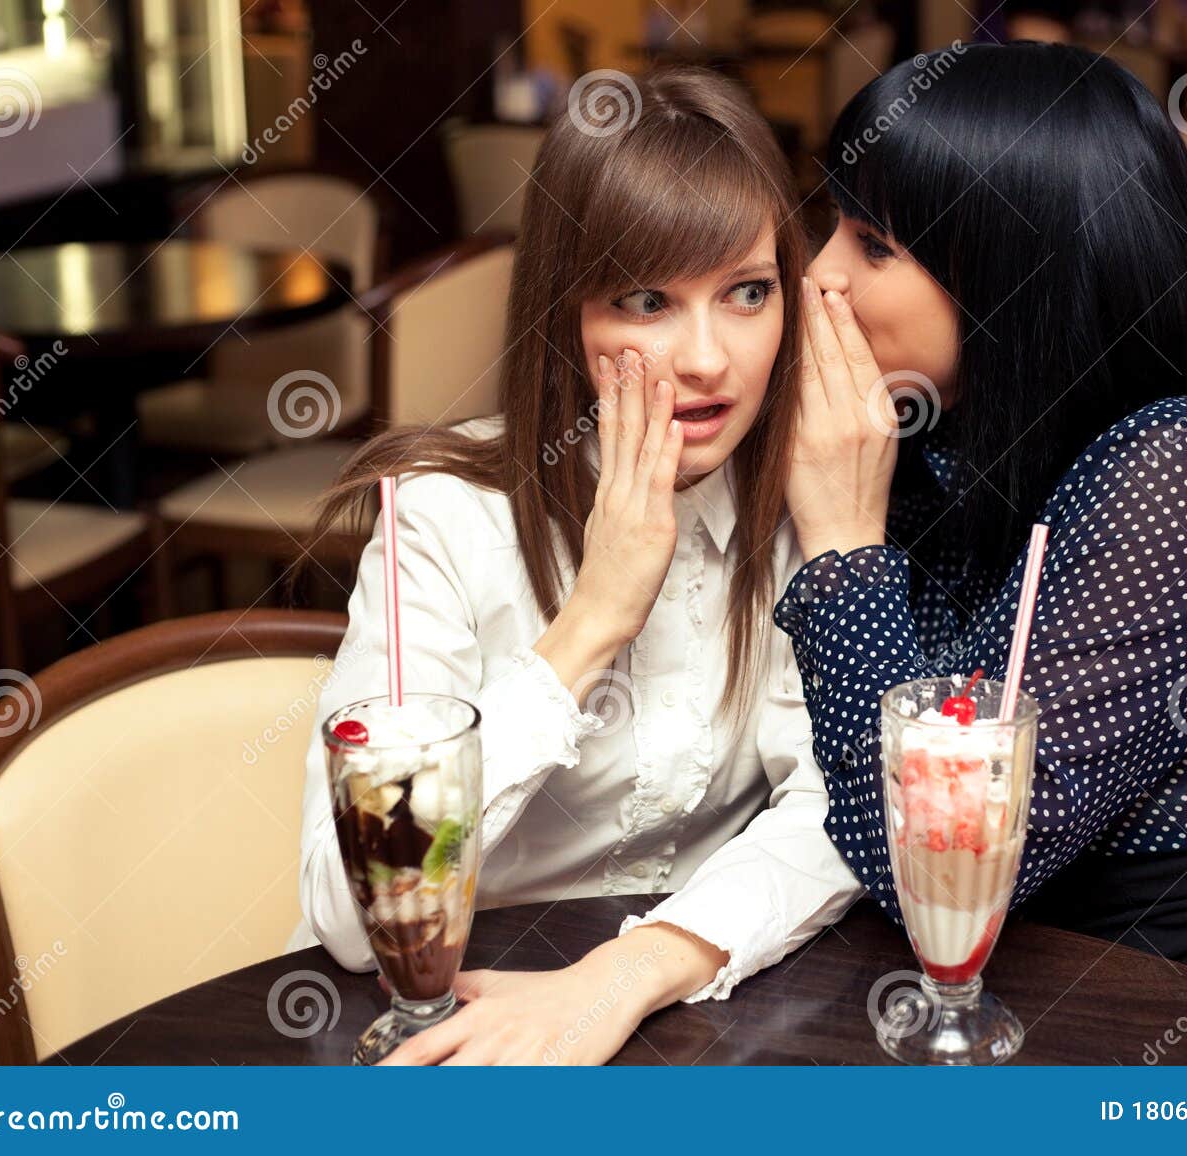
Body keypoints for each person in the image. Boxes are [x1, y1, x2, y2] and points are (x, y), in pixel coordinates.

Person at [780, 40, 1187, 1064]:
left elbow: (927, 866)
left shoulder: (1179, 466)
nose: (817, 272)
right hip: (1058, 1010)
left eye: (870, 243)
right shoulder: (943, 443)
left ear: (1017, 274)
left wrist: (836, 547)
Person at [294, 67, 859, 1065]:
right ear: (568, 315)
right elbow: (348, 913)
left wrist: (631, 973)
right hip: (447, 1025)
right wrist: (591, 620)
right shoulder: (441, 517)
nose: (707, 359)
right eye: (645, 300)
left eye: (746, 293)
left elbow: (833, 809)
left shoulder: (794, 504)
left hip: (683, 1016)